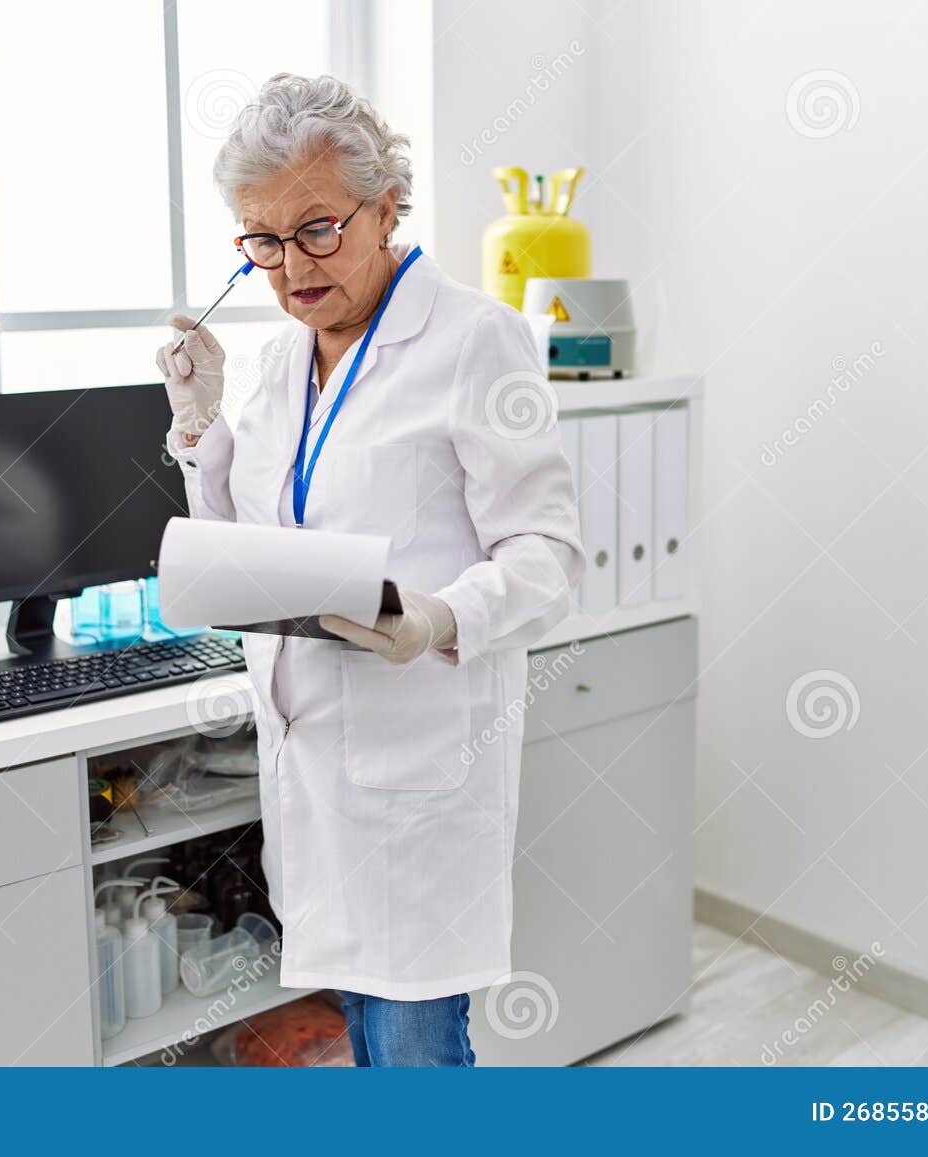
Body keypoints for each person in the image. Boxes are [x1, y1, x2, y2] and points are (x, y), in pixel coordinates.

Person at [155, 73, 583, 1067]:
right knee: (365, 1034)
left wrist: (436, 617)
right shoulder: (273, 366)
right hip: (310, 769)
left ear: (387, 205)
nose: (289, 267)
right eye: (259, 240)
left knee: (416, 1054)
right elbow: (236, 546)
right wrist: (196, 423)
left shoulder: (477, 341)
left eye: (315, 229)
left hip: (418, 773)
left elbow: (550, 555)